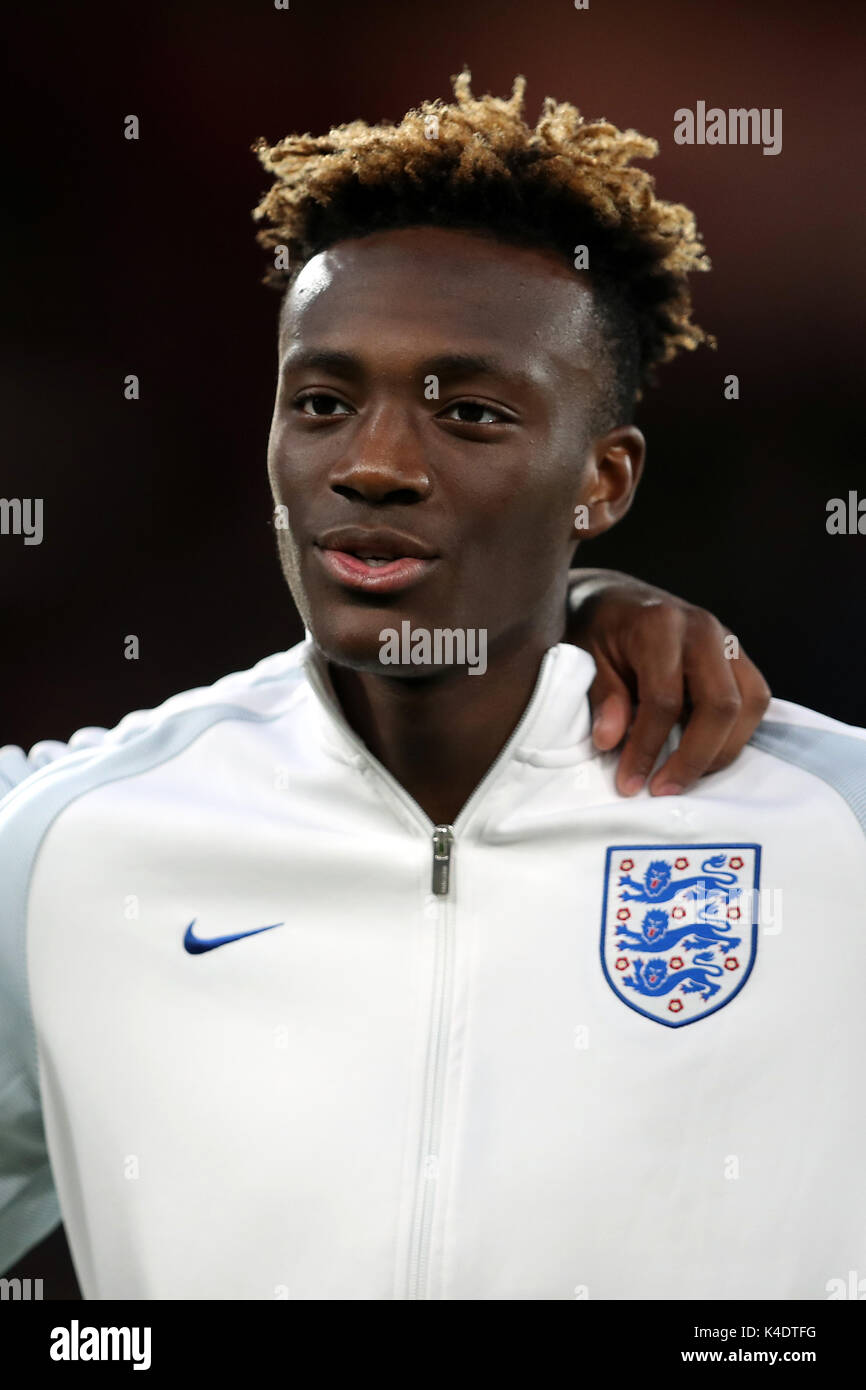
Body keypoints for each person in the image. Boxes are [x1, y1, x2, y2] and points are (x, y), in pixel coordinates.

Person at [1, 71, 862, 1301]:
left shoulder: (832, 830)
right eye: (323, 402)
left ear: (602, 478)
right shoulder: (62, 846)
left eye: (466, 412)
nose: (373, 464)